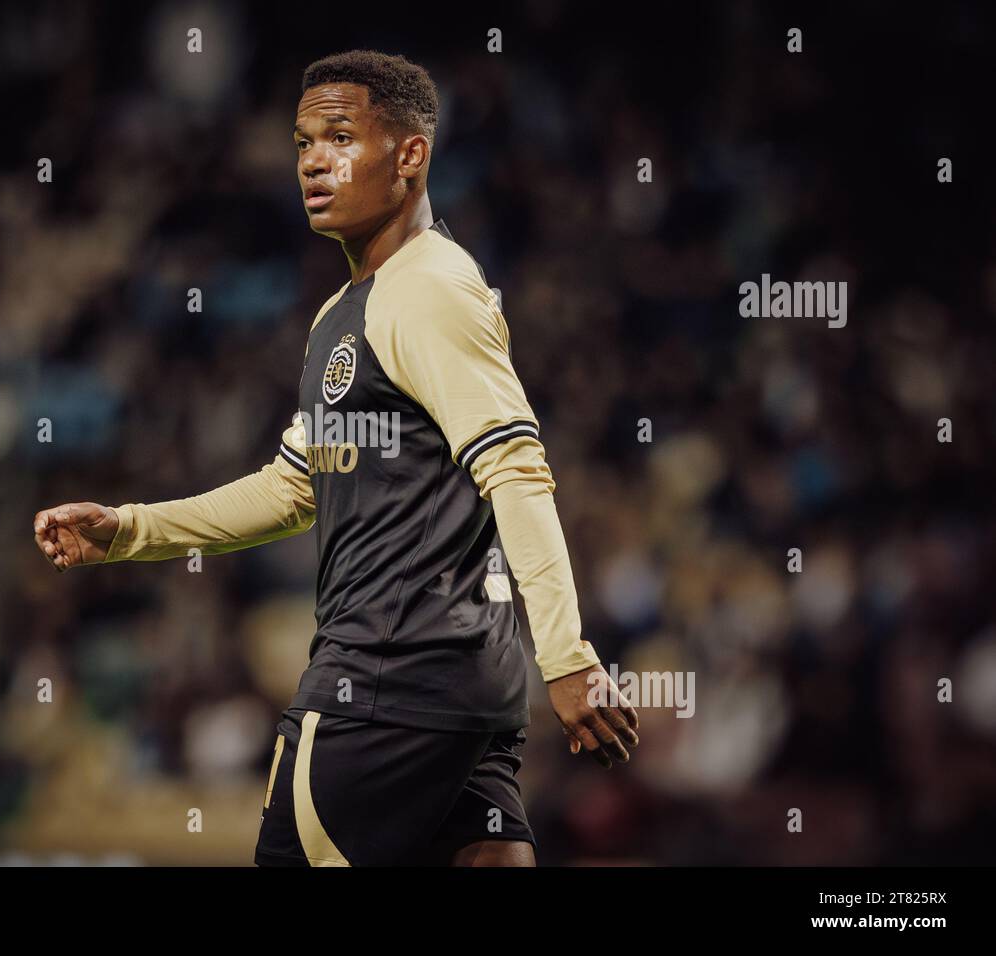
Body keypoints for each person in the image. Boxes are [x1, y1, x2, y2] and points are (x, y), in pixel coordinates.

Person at [33, 50, 638, 866]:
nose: (314, 160)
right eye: (303, 141)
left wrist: (567, 655)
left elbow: (515, 466)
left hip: (379, 688)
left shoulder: (428, 288)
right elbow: (292, 488)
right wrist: (130, 530)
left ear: (411, 155)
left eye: (342, 136)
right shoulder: (344, 313)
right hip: (461, 696)